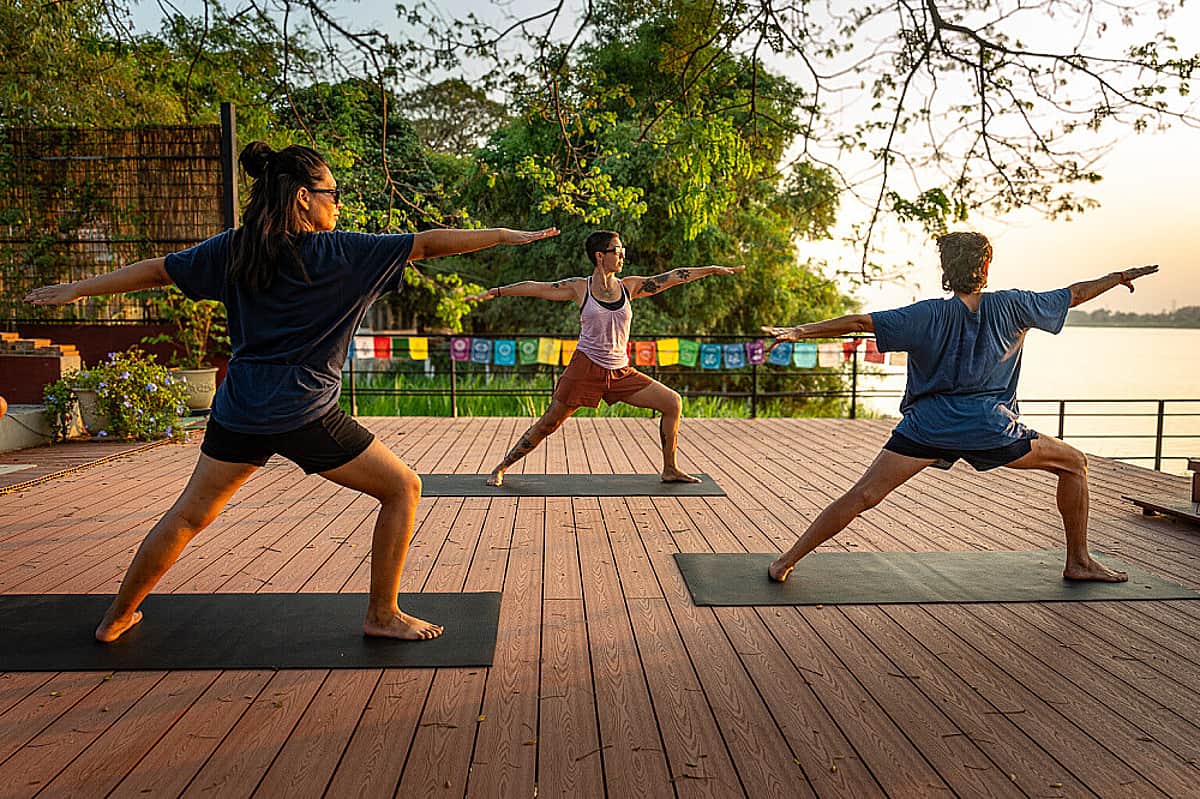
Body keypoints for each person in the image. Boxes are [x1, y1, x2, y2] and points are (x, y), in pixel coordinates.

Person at [24, 140, 558, 642]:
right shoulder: (341, 253)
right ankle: (382, 613)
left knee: (189, 514)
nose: (339, 205)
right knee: (403, 489)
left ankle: (116, 618)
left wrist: (78, 289)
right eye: (332, 193)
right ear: (304, 198)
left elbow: (158, 272)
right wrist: (503, 235)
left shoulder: (235, 249)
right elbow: (427, 244)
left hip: (239, 410)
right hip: (305, 412)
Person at [762, 231, 1158, 584]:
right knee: (1074, 463)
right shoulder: (1015, 305)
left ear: (946, 269)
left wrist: (799, 331)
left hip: (926, 429)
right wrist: (1116, 278)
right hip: (990, 428)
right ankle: (1079, 561)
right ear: (985, 266)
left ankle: (786, 561)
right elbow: (1074, 294)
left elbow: (859, 322)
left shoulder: (925, 314)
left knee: (863, 495)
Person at [467, 230, 743, 486]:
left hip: (620, 372)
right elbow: (537, 287)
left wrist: (710, 270)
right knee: (549, 423)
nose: (623, 255)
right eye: (617, 251)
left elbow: (672, 277)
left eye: (622, 251)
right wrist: (498, 291)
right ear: (601, 256)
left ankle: (669, 469)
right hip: (585, 369)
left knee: (672, 402)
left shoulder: (629, 287)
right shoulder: (579, 288)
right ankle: (502, 467)